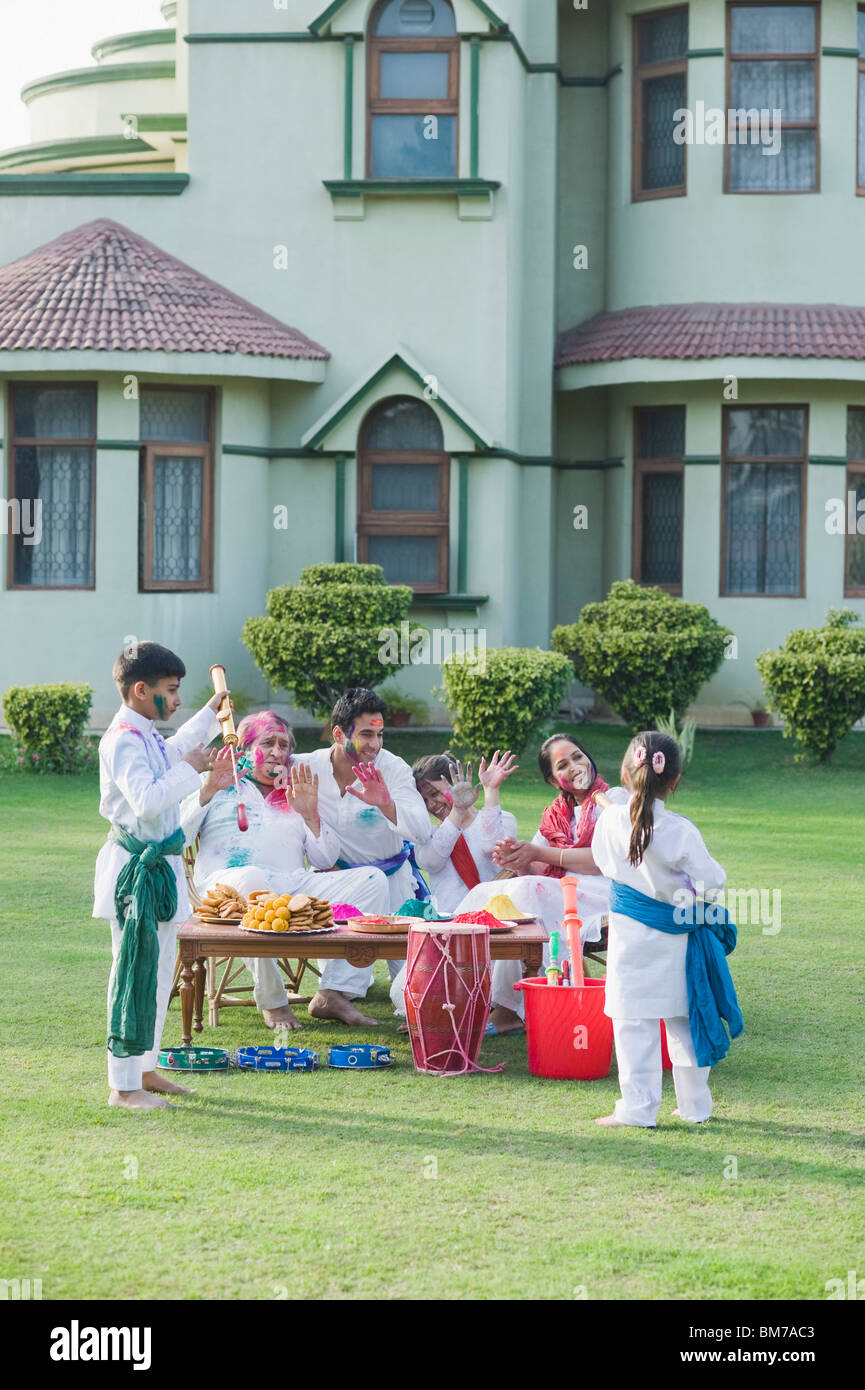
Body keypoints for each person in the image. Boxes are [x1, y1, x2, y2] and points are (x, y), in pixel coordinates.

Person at [181, 711, 391, 1030]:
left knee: (373, 881)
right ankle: (273, 1001)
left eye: (284, 744)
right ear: (244, 748)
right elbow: (176, 837)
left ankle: (334, 993)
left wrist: (310, 816)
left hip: (291, 887)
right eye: (268, 743)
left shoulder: (294, 790)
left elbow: (323, 859)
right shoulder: (218, 780)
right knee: (253, 878)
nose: (278, 752)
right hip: (227, 889)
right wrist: (208, 789)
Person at [94, 641, 223, 1110]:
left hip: (158, 868)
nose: (178, 700)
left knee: (160, 970)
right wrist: (194, 770)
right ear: (141, 689)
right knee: (133, 972)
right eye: (172, 691)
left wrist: (210, 716)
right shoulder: (123, 739)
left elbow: (170, 753)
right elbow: (147, 799)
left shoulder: (145, 732)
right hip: (134, 872)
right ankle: (123, 1087)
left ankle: (145, 1069)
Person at [591, 731, 743, 1128]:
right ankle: (695, 1107)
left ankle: (639, 1111)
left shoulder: (608, 821)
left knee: (632, 1023)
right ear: (673, 781)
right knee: (683, 1021)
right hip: (677, 938)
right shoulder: (680, 830)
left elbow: (605, 865)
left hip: (629, 938)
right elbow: (713, 882)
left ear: (625, 774)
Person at [455, 734, 617, 1034]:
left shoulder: (613, 799)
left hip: (603, 892)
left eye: (578, 757)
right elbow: (538, 871)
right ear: (553, 780)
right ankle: (454, 994)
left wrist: (536, 853)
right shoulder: (555, 816)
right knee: (483, 894)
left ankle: (507, 1009)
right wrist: (517, 860)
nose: (575, 767)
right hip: (558, 893)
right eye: (563, 765)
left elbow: (606, 859)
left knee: (525, 890)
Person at [295, 689, 431, 1024]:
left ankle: (342, 988)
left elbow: (422, 831)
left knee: (415, 992)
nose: (375, 744)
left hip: (394, 884)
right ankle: (335, 994)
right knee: (356, 980)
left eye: (380, 734)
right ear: (339, 734)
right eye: (366, 734)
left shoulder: (392, 768)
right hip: (335, 889)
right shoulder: (306, 767)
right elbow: (257, 766)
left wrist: (385, 803)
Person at [388, 751, 518, 1025]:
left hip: (496, 933)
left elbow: (490, 845)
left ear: (457, 783)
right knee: (400, 993)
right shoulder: (428, 838)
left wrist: (491, 791)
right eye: (424, 801)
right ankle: (460, 1010)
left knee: (495, 985)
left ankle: (484, 1011)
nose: (432, 804)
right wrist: (456, 812)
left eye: (435, 793)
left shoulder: (501, 818)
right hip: (446, 933)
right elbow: (433, 859)